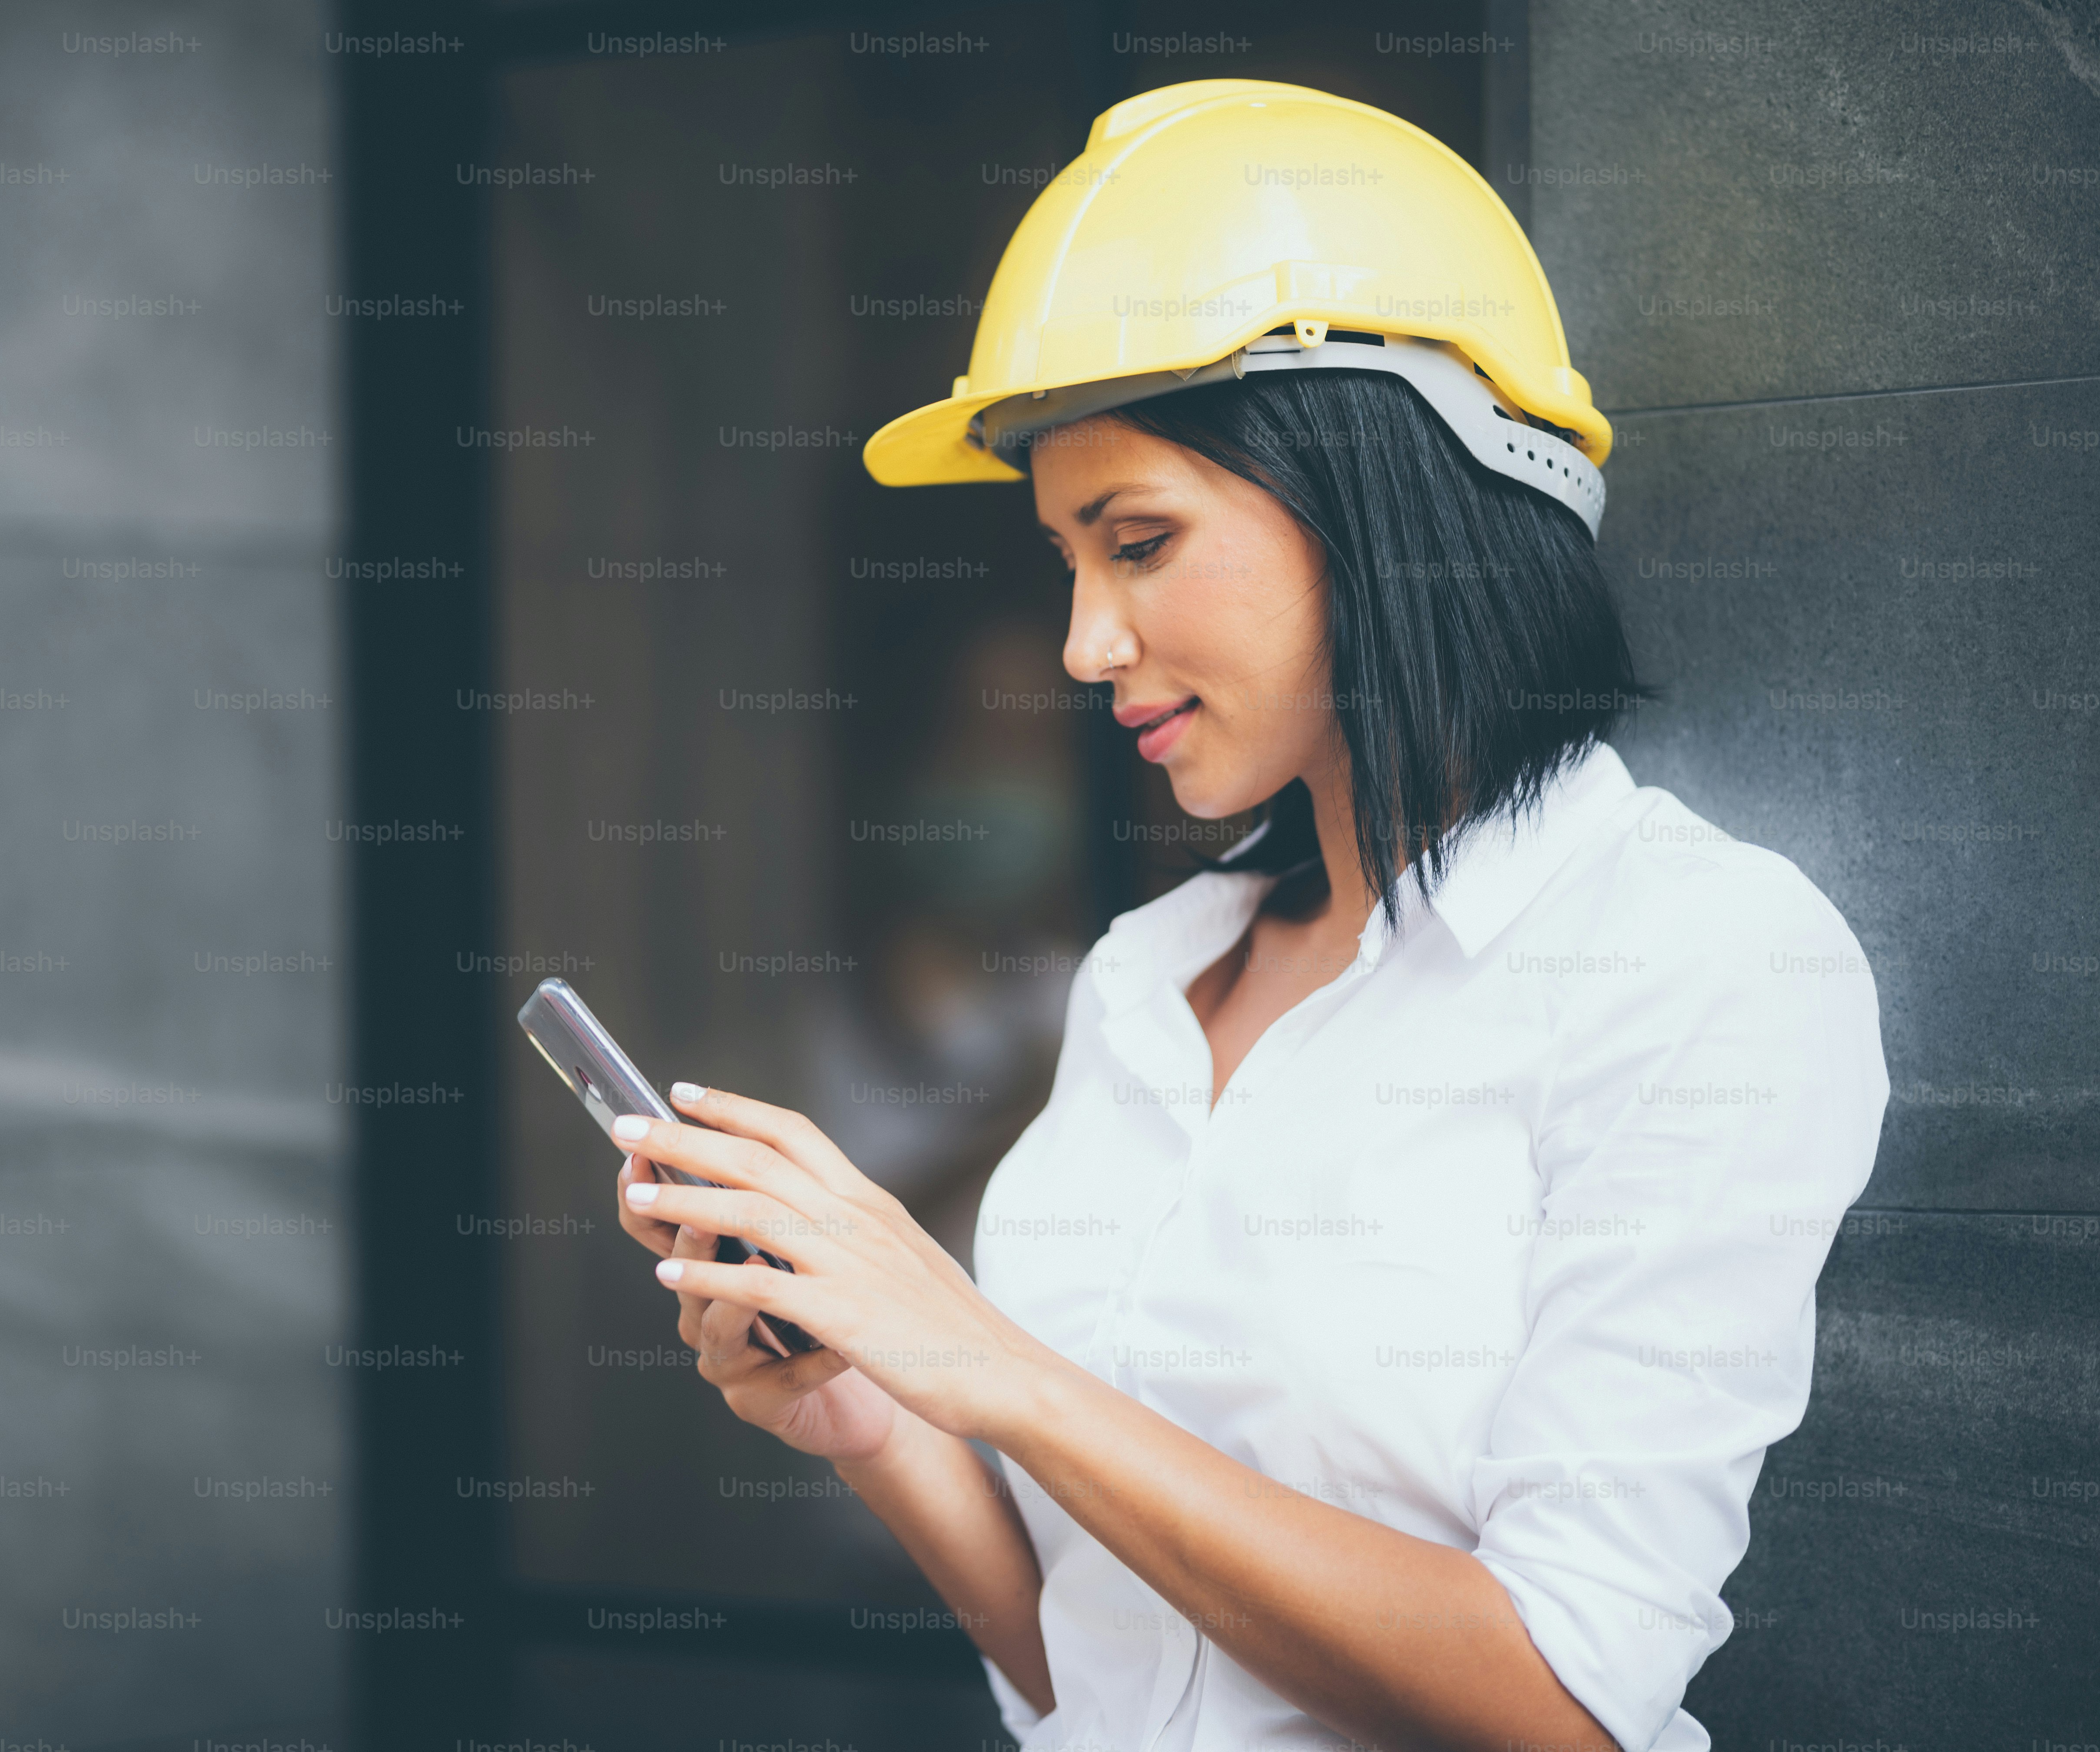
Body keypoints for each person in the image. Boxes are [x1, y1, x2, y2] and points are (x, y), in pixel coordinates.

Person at [608, 81, 1885, 1752]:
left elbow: (1563, 1697)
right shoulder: (1150, 974)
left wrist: (991, 1367)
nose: (1085, 645)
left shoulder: (1703, 959)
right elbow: (1105, 1669)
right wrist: (879, 1415)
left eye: (1140, 542)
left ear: (1381, 502)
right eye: (1069, 560)